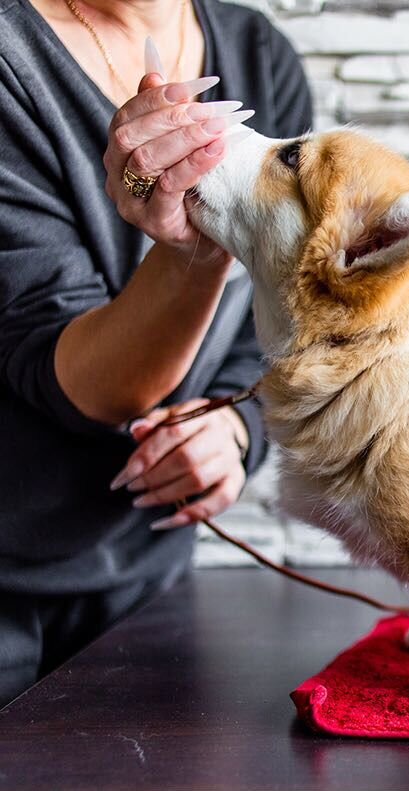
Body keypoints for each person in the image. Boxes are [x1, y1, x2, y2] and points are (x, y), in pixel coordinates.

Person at [0, 0, 312, 706]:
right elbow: (75, 379)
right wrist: (192, 250)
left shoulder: (258, 52)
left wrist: (237, 428)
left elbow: (289, 309)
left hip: (152, 580)